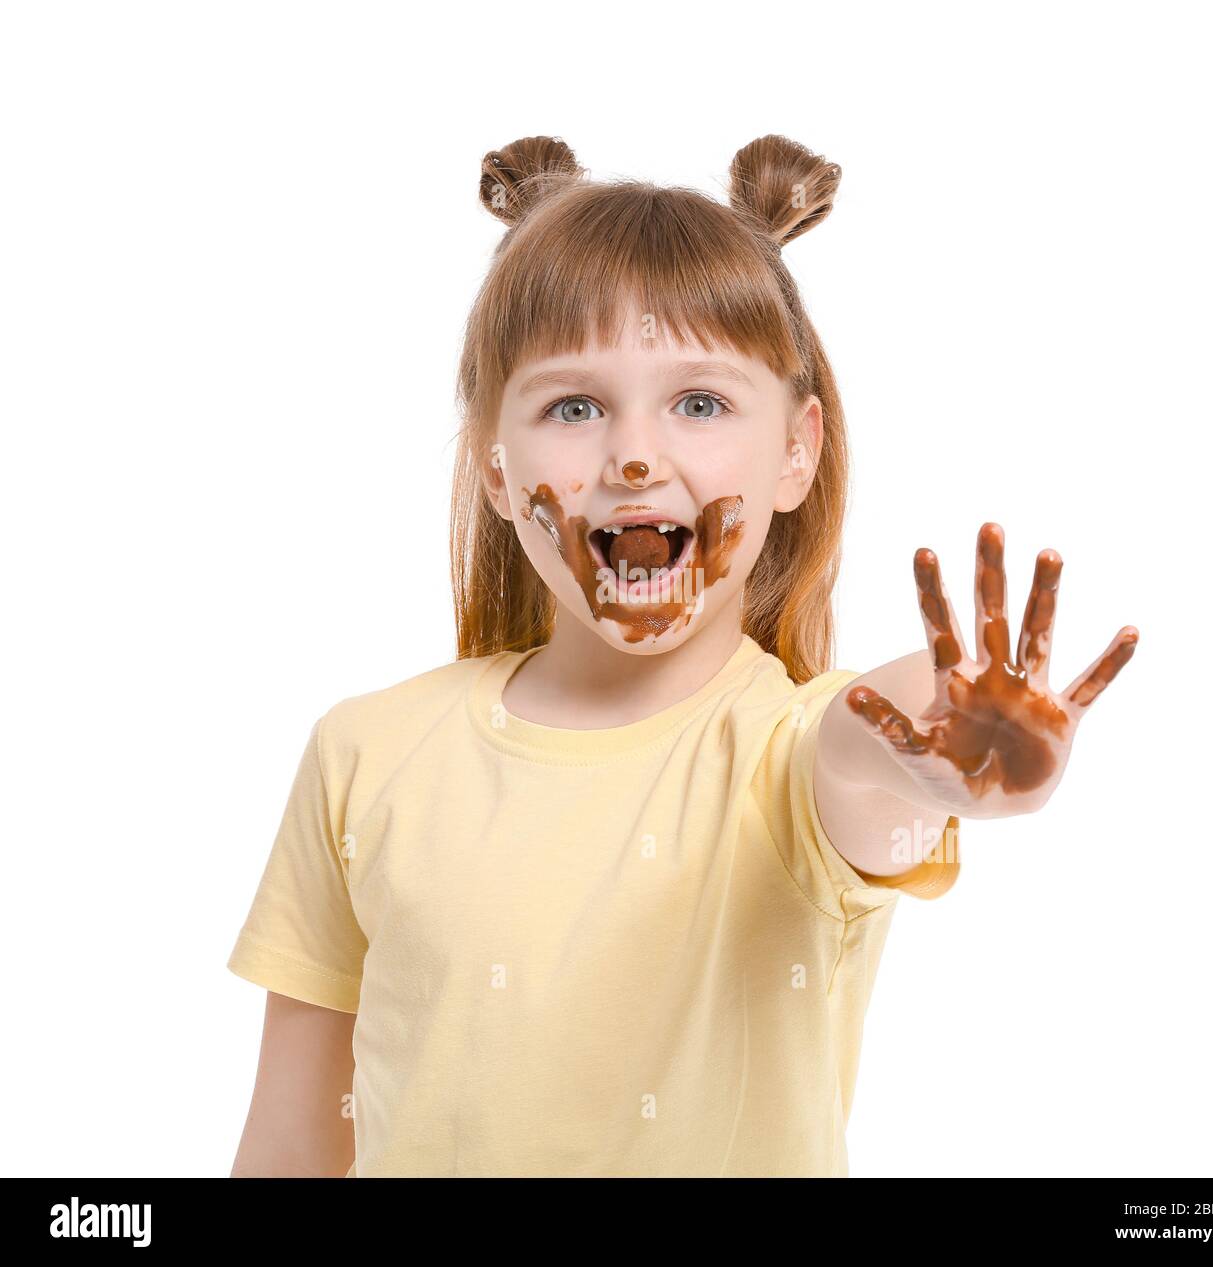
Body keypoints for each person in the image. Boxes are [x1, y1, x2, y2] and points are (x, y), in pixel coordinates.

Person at [227, 134, 1138, 1178]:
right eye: (574, 405)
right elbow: (292, 1141)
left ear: (797, 450)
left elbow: (859, 753)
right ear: (492, 458)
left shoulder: (790, 757)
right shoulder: (364, 751)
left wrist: (938, 728)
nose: (632, 454)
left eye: (698, 403)